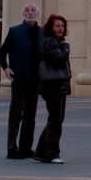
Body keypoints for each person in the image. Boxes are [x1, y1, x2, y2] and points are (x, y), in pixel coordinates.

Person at [0, 3, 42, 159]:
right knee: (16, 113)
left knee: (30, 115)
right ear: (23, 14)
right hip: (20, 78)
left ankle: (26, 147)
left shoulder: (42, 33)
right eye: (27, 10)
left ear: (37, 13)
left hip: (35, 79)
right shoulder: (15, 32)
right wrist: (5, 67)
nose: (30, 13)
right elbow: (2, 52)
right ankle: (11, 147)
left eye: (33, 10)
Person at [34, 14, 71, 164]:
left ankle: (41, 151)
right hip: (53, 86)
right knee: (56, 120)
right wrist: (65, 48)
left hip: (58, 86)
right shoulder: (50, 42)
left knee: (55, 119)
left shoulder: (56, 42)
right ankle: (52, 153)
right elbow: (58, 59)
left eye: (62, 26)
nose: (60, 29)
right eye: (57, 26)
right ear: (51, 27)